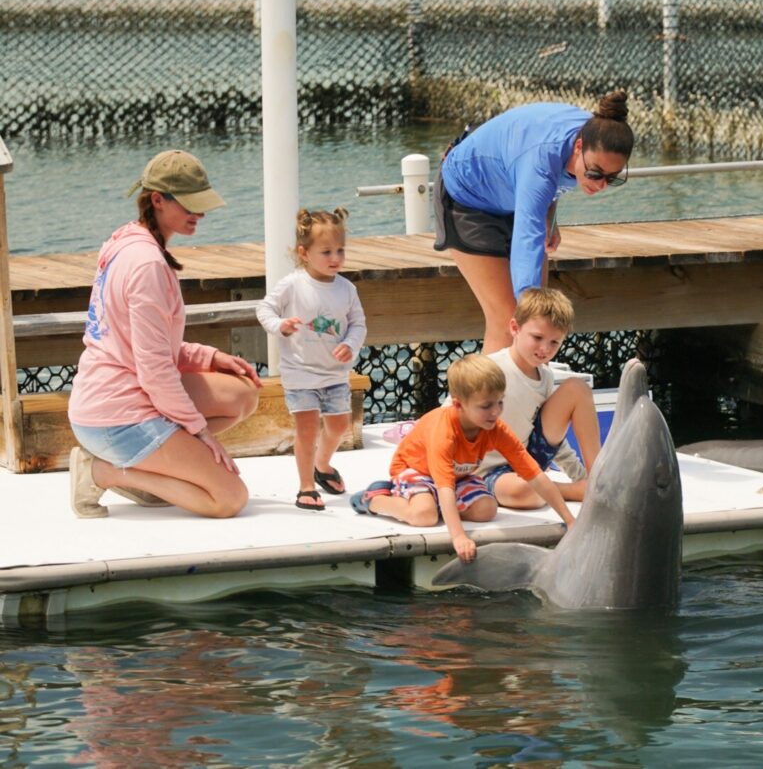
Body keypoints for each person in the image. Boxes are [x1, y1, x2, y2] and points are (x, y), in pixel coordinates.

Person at [68, 150, 262, 519]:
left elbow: (137, 340)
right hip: (116, 417)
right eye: (190, 204)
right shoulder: (147, 265)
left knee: (243, 395)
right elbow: (154, 368)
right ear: (157, 200)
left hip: (116, 395)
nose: (200, 213)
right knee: (229, 499)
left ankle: (154, 469)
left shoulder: (126, 241)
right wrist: (200, 433)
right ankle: (104, 471)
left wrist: (209, 358)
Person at [434, 90, 634, 353]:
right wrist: (531, 313)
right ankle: (484, 395)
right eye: (595, 173)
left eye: (613, 177)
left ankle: (529, 389)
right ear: (578, 146)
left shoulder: (600, 130)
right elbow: (527, 237)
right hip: (467, 196)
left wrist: (549, 217)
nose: (601, 185)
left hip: (512, 190)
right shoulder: (540, 162)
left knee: (537, 324)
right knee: (510, 319)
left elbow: (550, 182)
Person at [350, 354, 575, 564]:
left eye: (500, 402)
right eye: (486, 405)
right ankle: (374, 499)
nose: (496, 412)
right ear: (458, 405)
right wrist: (458, 536)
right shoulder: (444, 432)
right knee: (424, 516)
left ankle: (435, 505)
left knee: (486, 510)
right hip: (416, 470)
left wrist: (570, 520)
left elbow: (533, 473)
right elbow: (444, 485)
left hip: (459, 474)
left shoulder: (494, 427)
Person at [256, 207, 367, 511]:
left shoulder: (347, 289)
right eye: (327, 251)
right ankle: (306, 486)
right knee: (306, 428)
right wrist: (280, 326)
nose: (336, 258)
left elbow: (358, 323)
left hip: (335, 373)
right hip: (300, 372)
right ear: (304, 253)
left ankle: (322, 464)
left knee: (338, 425)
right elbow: (264, 309)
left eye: (341, 250)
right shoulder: (293, 284)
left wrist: (350, 344)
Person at [480, 287, 601, 508]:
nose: (544, 349)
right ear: (515, 327)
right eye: (537, 337)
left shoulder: (545, 376)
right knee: (525, 493)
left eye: (555, 342)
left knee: (577, 388)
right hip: (489, 474)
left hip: (526, 460)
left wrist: (578, 474)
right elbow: (451, 416)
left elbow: (552, 438)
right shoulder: (490, 369)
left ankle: (598, 480)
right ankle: (568, 491)